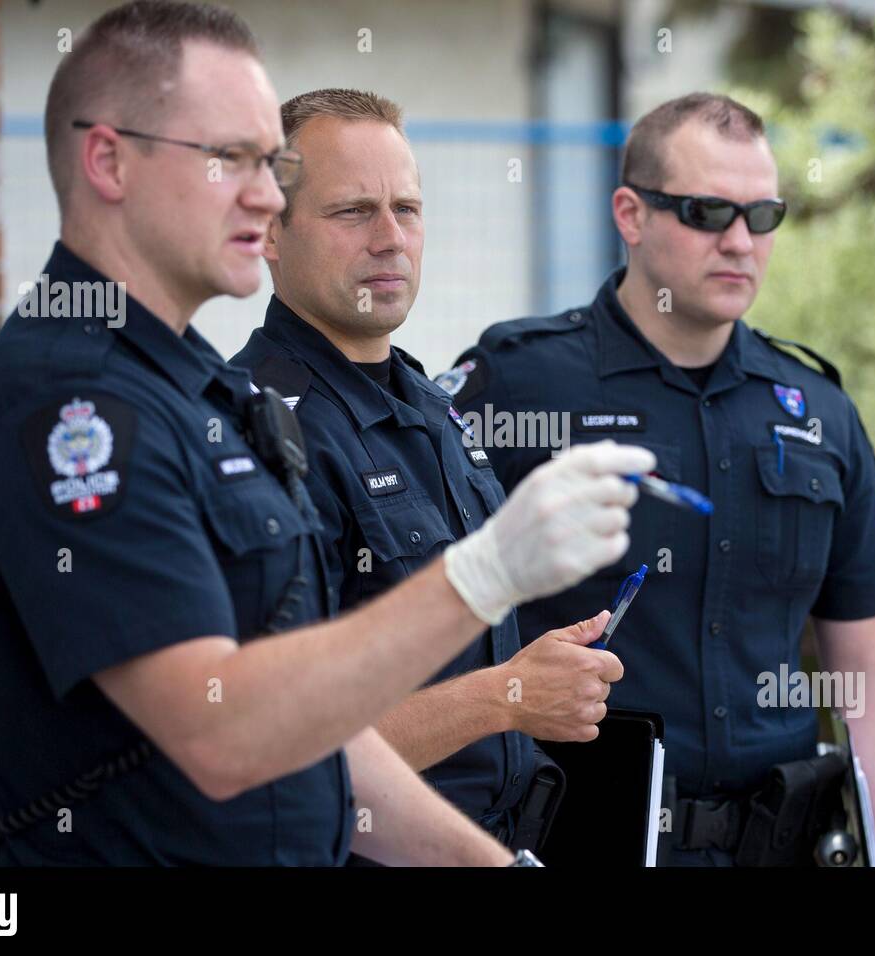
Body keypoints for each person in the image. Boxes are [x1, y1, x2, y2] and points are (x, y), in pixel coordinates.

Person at [0, 0, 652, 866]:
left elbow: (318, 729)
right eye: (233, 159)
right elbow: (225, 736)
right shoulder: (64, 407)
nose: (265, 197)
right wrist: (483, 580)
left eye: (270, 164)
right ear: (108, 160)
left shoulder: (202, 395)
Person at [447, 93, 875, 866]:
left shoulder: (816, 410)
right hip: (579, 840)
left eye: (761, 216)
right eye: (707, 212)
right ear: (631, 215)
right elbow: (428, 612)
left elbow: (871, 658)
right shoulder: (516, 382)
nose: (740, 242)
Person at [230, 88, 622, 851]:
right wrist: (507, 696)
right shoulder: (261, 431)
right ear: (270, 232)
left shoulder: (433, 404)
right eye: (352, 212)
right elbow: (278, 751)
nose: (390, 239)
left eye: (406, 210)